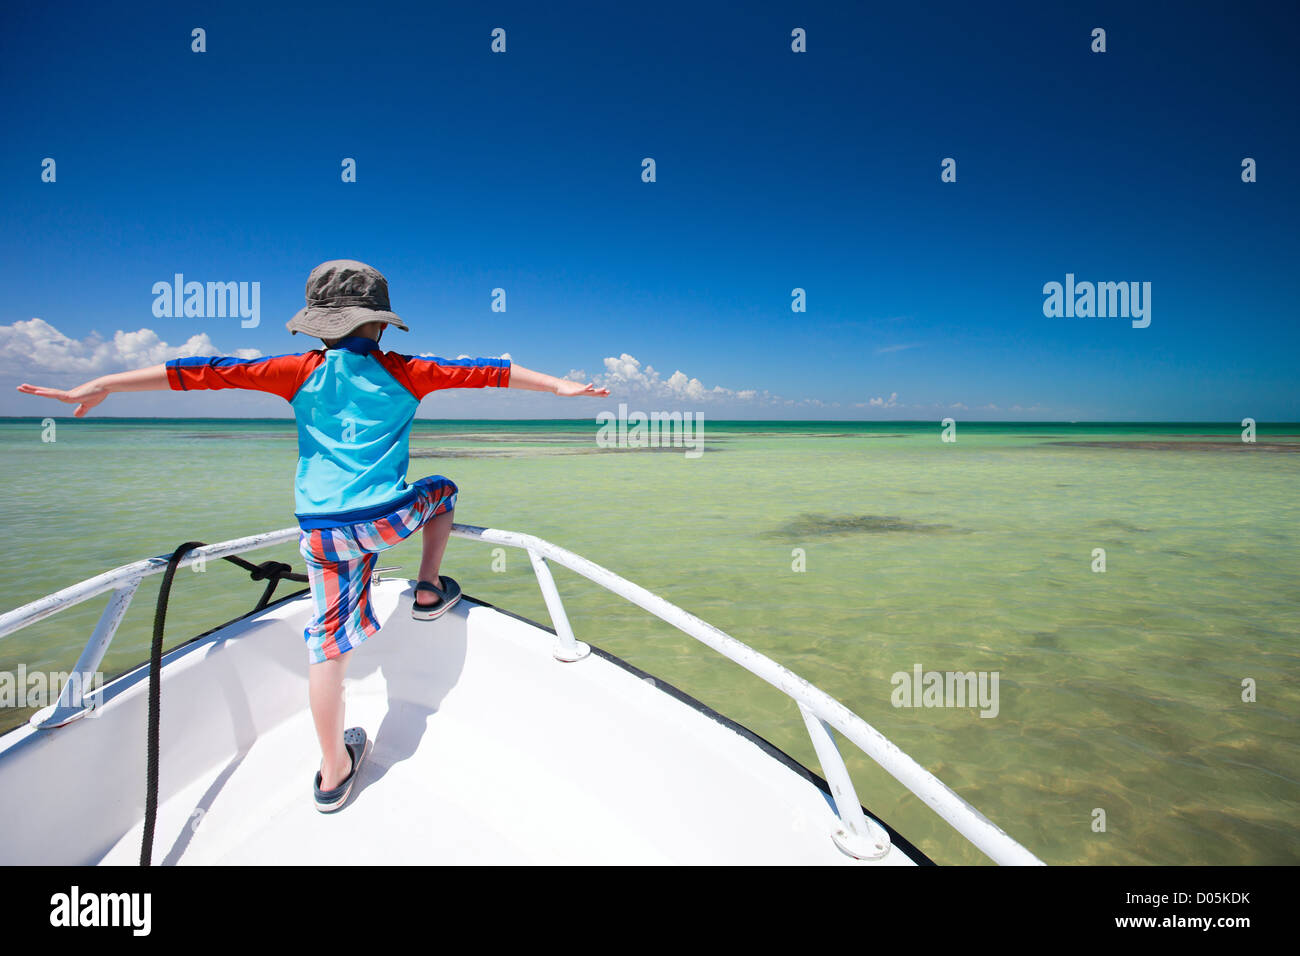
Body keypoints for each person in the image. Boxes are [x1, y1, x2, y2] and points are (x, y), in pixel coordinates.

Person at [16, 259, 610, 812]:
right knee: (443, 492)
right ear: (380, 323)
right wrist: (560, 388)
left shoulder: (294, 372)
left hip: (323, 535)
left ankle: (332, 773)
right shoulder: (409, 371)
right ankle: (428, 590)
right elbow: (493, 372)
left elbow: (196, 374)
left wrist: (98, 384)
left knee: (328, 647)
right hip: (389, 518)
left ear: (317, 328)